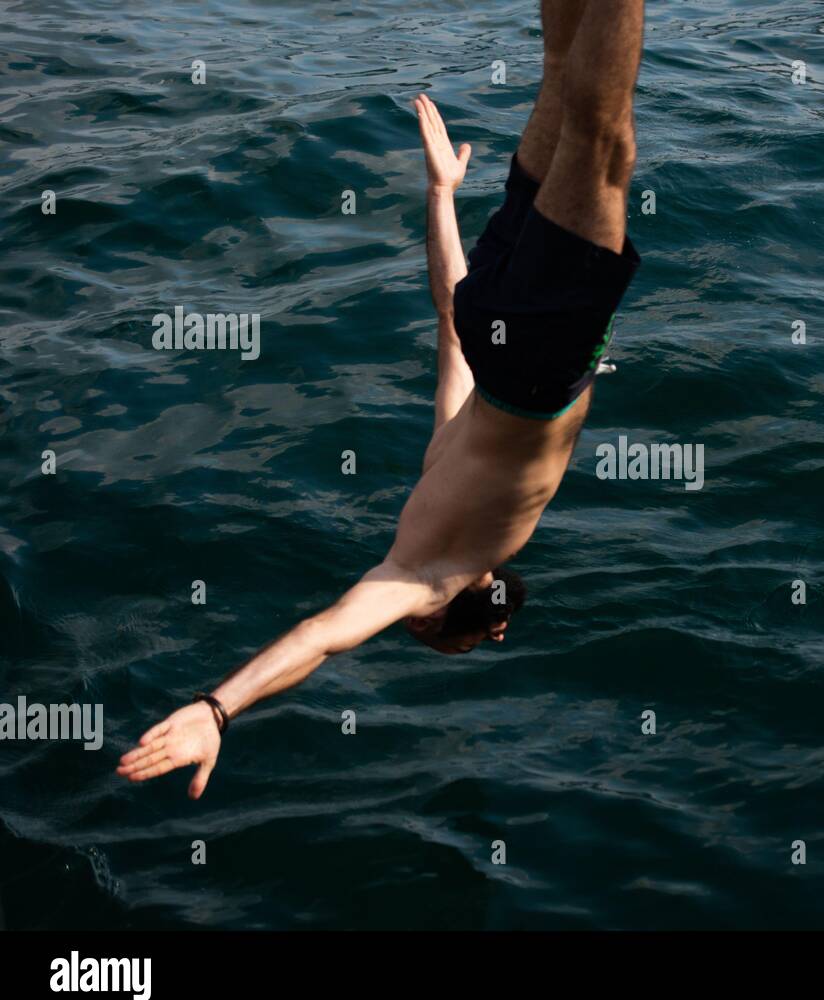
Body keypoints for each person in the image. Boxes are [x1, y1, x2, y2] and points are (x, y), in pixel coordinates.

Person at [117, 0, 644, 798]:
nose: (495, 628)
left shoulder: (426, 574)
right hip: (490, 309)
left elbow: (321, 636)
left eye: (475, 637)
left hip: (538, 347)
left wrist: (217, 709)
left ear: (451, 618)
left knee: (599, 129)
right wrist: (441, 194)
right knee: (563, 87)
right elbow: (448, 322)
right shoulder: (440, 473)